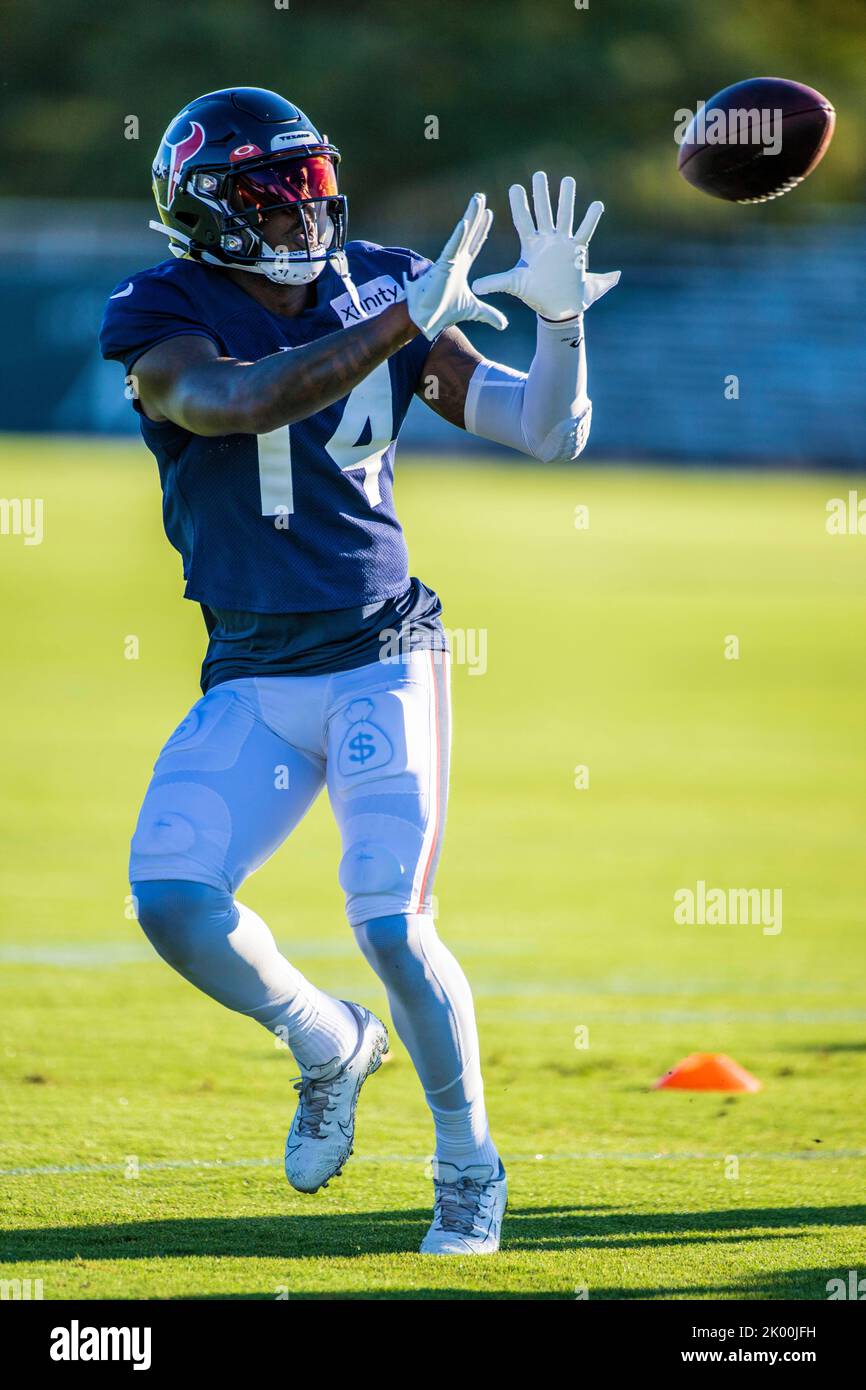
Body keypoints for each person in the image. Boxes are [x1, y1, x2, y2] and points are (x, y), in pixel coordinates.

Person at [99, 86, 619, 1255]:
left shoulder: (383, 281)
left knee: (393, 924)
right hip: (250, 667)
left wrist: (559, 326)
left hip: (382, 652)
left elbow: (541, 429)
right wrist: (398, 324)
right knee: (172, 902)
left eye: (313, 185)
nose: (302, 212)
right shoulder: (160, 311)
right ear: (205, 210)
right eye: (273, 194)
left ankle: (467, 1167)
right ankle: (326, 1040)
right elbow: (235, 401)